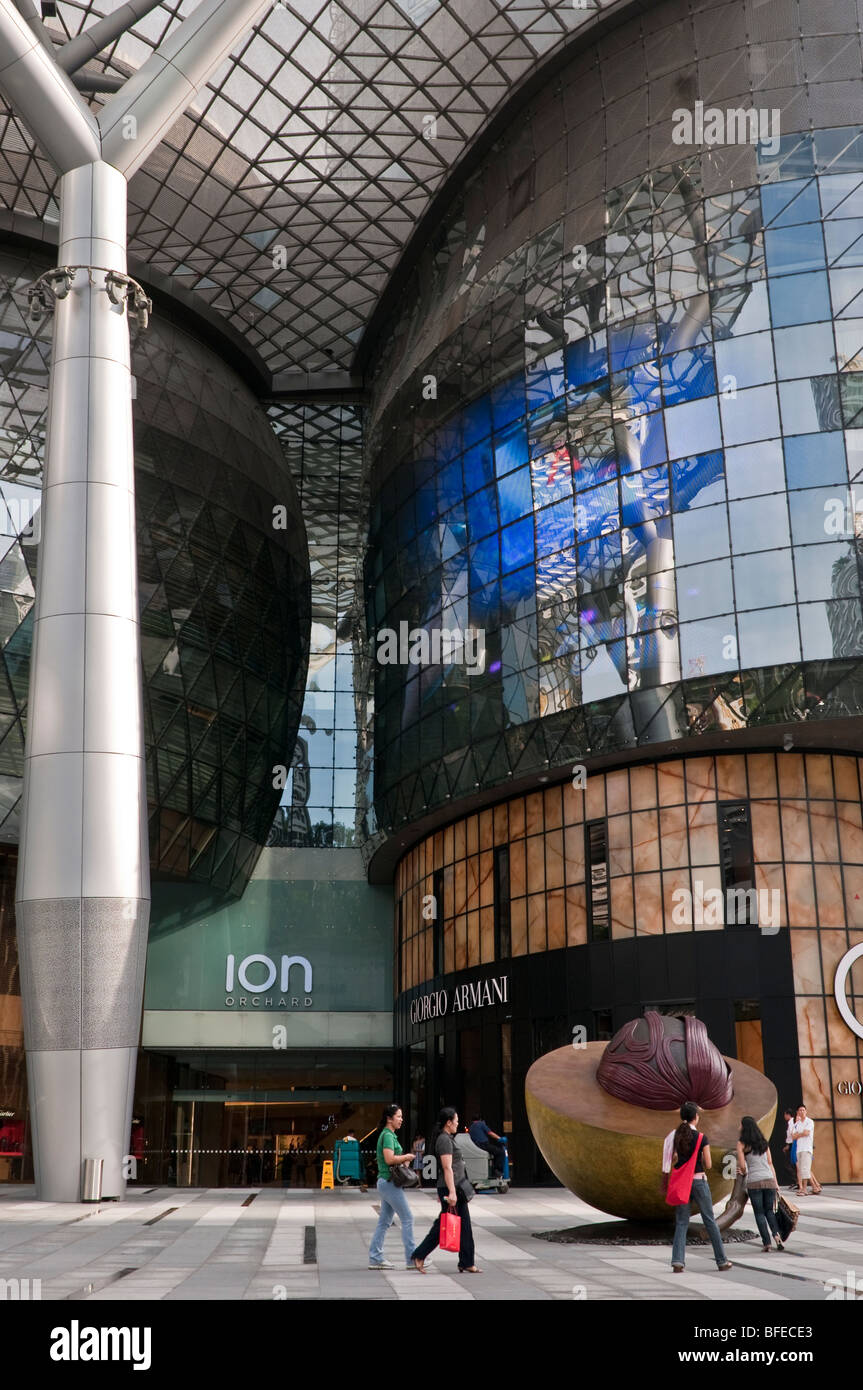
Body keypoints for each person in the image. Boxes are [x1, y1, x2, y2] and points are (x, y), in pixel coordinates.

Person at [662, 1101, 733, 1274]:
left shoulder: (674, 1135)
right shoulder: (702, 1138)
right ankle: (722, 1261)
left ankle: (678, 1261)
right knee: (709, 1221)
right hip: (699, 1182)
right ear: (695, 1117)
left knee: (681, 1222)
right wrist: (698, 1158)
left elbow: (670, 1159)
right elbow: (708, 1164)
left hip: (682, 1183)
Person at [411, 1107, 481, 1275]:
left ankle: (466, 1262)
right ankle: (420, 1255)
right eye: (456, 1121)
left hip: (453, 1186)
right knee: (445, 1223)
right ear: (448, 1122)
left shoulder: (448, 1138)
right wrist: (451, 1192)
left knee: (460, 1224)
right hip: (453, 1187)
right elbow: (447, 1168)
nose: (458, 1123)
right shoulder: (444, 1140)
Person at [368, 1104, 417, 1270]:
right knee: (408, 1218)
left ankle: (375, 1257)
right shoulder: (387, 1135)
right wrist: (407, 1156)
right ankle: (412, 1259)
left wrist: (404, 1159)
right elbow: (389, 1159)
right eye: (399, 1116)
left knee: (384, 1222)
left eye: (402, 1117)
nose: (401, 1120)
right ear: (389, 1119)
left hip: (386, 1182)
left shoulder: (389, 1135)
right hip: (389, 1183)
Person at [736, 1116, 784, 1252]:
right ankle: (777, 1237)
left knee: (759, 1213)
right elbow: (770, 1163)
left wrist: (742, 1170)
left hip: (754, 1182)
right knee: (769, 1211)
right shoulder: (764, 1142)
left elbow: (743, 1167)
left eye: (740, 1125)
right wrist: (776, 1183)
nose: (738, 1127)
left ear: (744, 1127)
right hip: (769, 1180)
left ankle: (767, 1243)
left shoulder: (742, 1144)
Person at [791, 1105, 822, 1195]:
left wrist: (799, 1134)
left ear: (806, 1111)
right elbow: (793, 1136)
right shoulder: (797, 1124)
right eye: (800, 1110)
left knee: (805, 1169)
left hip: (806, 1148)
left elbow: (806, 1133)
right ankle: (814, 1187)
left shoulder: (809, 1122)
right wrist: (801, 1134)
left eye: (803, 1110)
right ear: (797, 1112)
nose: (802, 1112)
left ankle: (804, 1189)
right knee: (801, 1169)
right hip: (799, 1149)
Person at [781, 1108, 798, 1189]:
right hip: (790, 1144)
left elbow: (791, 1135)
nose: (784, 1116)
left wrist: (788, 1145)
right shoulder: (790, 1122)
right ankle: (797, 1181)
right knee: (791, 1164)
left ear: (788, 1115)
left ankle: (796, 1181)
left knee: (790, 1164)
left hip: (792, 1145)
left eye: (785, 1114)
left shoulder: (791, 1122)